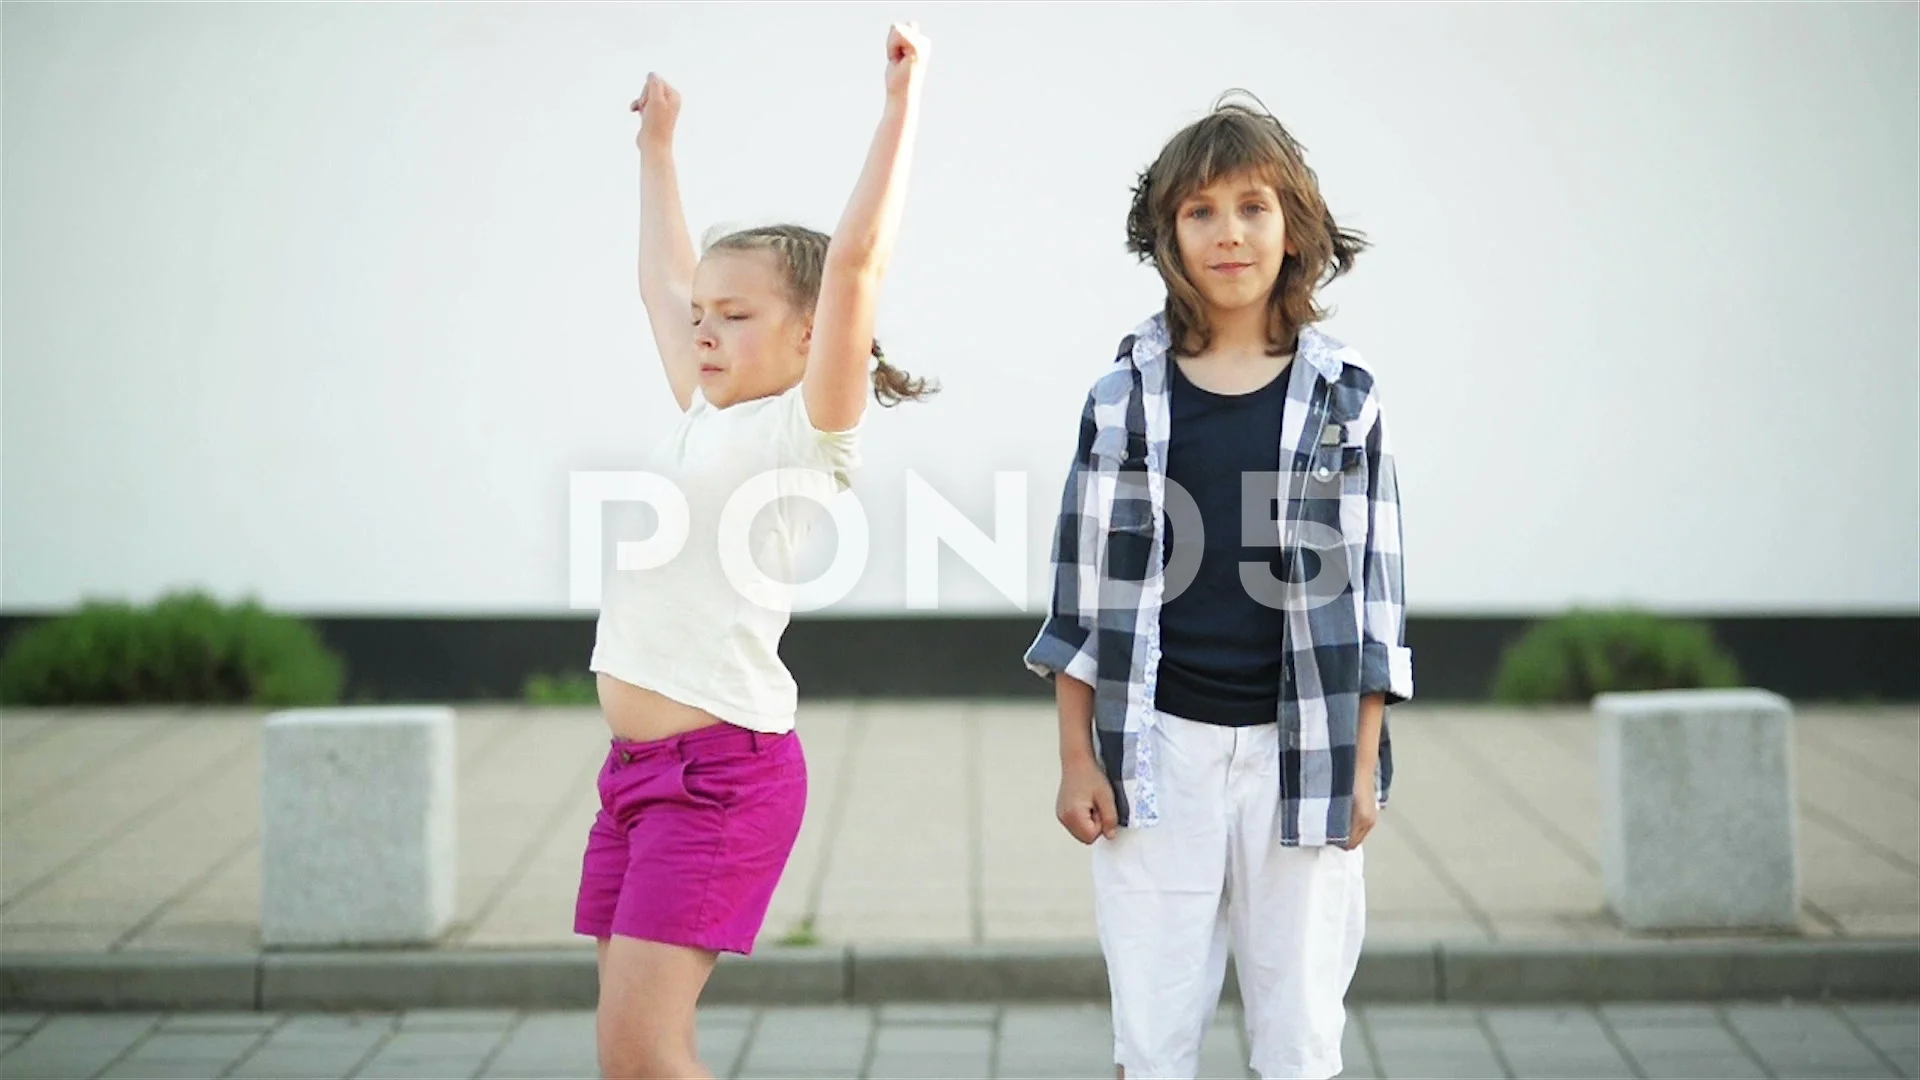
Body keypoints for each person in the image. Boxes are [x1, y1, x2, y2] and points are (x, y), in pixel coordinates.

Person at [1024, 93, 1413, 1080]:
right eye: (1199, 211)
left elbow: (1374, 600)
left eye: (1252, 205)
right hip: (1158, 750)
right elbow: (1081, 599)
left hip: (1306, 748)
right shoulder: (1124, 400)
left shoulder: (1345, 395)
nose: (1228, 232)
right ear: (1165, 237)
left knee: (1299, 1036)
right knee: (1152, 1039)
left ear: (1295, 229)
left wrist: (1362, 762)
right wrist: (1078, 757)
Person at [576, 23, 933, 1079]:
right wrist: (656, 155)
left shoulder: (804, 431)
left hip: (717, 780)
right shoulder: (705, 412)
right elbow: (660, 286)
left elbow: (859, 259)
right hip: (634, 776)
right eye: (705, 315)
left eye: (735, 315)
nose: (705, 329)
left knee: (641, 1054)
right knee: (636, 1053)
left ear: (811, 334)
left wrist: (901, 108)